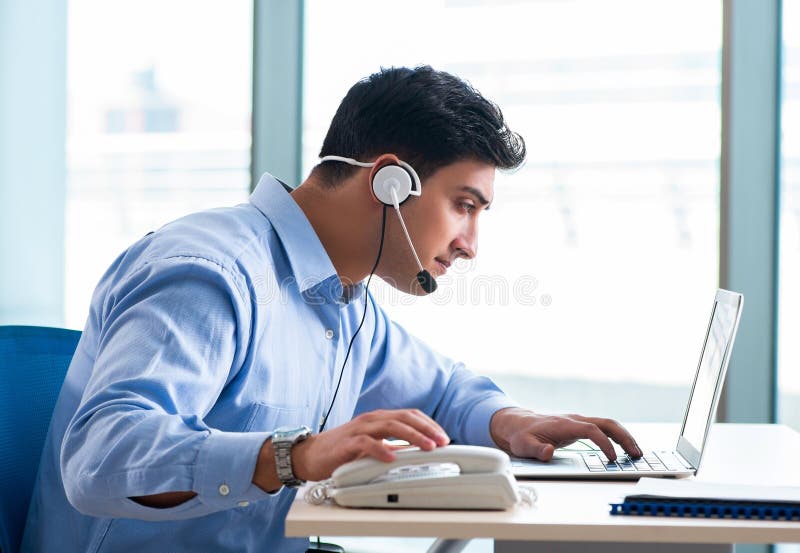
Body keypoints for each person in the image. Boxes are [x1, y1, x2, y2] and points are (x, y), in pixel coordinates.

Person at [22, 66, 641, 553]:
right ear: (389, 183)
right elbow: (100, 456)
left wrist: (510, 420)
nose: (470, 246)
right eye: (464, 205)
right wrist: (293, 456)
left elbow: (444, 390)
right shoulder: (210, 274)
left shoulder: (344, 302)